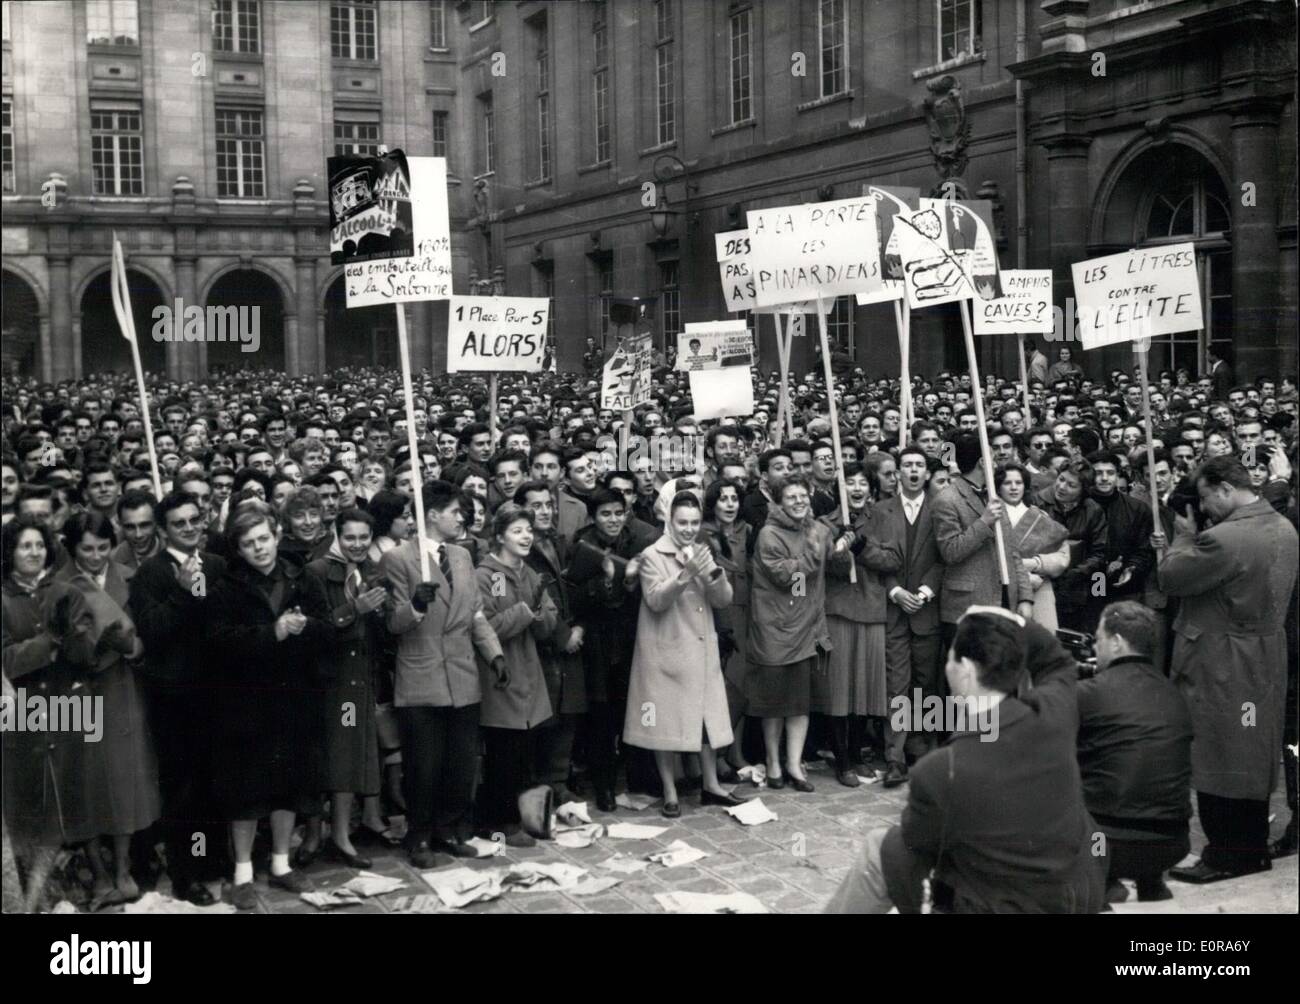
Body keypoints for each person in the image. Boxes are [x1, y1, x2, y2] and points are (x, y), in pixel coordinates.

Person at [825, 609, 1106, 914]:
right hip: (1069, 897)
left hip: (995, 904)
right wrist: (1014, 622)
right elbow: (1057, 661)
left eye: (951, 658)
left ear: (967, 671)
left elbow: (918, 848)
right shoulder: (1054, 717)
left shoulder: (939, 770)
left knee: (881, 848)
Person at [1156, 456, 1299, 883]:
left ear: (1223, 489)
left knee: (1219, 752)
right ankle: (1250, 847)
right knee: (1253, 753)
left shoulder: (1224, 539)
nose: (1203, 509)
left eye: (1205, 498)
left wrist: (1181, 538)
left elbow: (1170, 577)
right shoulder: (1284, 527)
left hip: (1223, 662)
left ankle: (1227, 853)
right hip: (1265, 655)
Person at [206, 503, 330, 909]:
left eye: (263, 538)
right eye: (248, 543)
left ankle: (281, 865)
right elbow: (219, 643)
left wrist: (306, 627)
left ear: (276, 535)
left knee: (288, 785)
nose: (259, 548)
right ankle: (242, 873)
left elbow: (329, 629)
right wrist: (271, 633)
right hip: (247, 703)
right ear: (238, 550)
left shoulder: (303, 576)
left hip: (295, 698)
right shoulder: (225, 586)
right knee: (247, 790)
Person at [380, 481, 505, 867]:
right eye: (455, 511)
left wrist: (494, 653)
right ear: (431, 514)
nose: (462, 517)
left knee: (460, 763)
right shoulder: (399, 559)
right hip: (422, 676)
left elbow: (476, 613)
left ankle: (450, 830)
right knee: (423, 764)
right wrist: (416, 606)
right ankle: (419, 836)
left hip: (464, 674)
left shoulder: (463, 556)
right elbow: (392, 623)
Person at [52, 511, 161, 905]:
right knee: (86, 783)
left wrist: (132, 647)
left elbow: (148, 638)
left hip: (123, 690)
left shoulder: (129, 577)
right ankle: (99, 873)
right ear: (71, 548)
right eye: (87, 549)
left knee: (125, 778)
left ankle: (122, 868)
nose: (96, 556)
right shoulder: (58, 587)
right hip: (78, 694)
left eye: (102, 547)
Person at [128, 490, 228, 906]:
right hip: (175, 698)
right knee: (183, 790)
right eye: (178, 523)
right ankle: (186, 874)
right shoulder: (151, 574)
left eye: (193, 520)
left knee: (212, 783)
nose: (188, 528)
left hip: (216, 693)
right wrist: (184, 591)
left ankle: (211, 862)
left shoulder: (219, 565)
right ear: (165, 529)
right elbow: (153, 631)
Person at [622, 492, 744, 817]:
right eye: (682, 523)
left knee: (705, 723)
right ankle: (670, 791)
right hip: (666, 652)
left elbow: (723, 600)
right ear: (669, 521)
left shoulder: (702, 550)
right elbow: (655, 600)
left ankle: (711, 785)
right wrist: (684, 574)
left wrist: (713, 576)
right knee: (665, 725)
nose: (689, 529)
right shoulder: (652, 554)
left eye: (693, 522)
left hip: (701, 650)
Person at [1077, 601, 1192, 904]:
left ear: (1116, 643)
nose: (1096, 648)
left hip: (1107, 845)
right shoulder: (1174, 693)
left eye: (1099, 639)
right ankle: (1151, 882)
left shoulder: (1090, 693)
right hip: (1173, 843)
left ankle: (1101, 883)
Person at [748, 476, 855, 793]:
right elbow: (788, 576)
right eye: (791, 497)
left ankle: (794, 764)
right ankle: (773, 762)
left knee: (799, 701)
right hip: (776, 629)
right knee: (774, 704)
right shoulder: (769, 535)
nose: (799, 501)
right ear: (779, 503)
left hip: (809, 627)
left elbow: (837, 569)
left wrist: (841, 550)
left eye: (802, 496)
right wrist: (814, 552)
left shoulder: (819, 530)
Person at [298, 509, 390, 870]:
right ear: (337, 536)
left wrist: (384, 612)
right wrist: (354, 609)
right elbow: (315, 627)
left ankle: (340, 835)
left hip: (360, 679)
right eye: (349, 537)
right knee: (325, 755)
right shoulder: (318, 571)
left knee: (350, 752)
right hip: (329, 681)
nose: (357, 544)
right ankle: (314, 834)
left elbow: (382, 631)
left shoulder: (372, 571)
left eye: (363, 538)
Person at [473, 504, 558, 846]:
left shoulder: (530, 573)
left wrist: (540, 616)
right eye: (517, 531)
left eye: (528, 530)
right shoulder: (491, 576)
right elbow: (488, 626)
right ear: (498, 537)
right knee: (502, 753)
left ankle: (520, 817)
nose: (526, 537)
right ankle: (498, 822)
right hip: (501, 675)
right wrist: (527, 611)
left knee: (523, 751)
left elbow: (548, 619)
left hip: (529, 674)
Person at [567, 486, 657, 806]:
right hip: (596, 642)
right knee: (600, 716)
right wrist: (609, 579)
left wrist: (631, 579)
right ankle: (603, 786)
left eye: (619, 513)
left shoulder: (635, 541)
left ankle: (639, 779)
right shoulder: (582, 545)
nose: (613, 519)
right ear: (593, 518)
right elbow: (573, 597)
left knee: (631, 708)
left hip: (630, 637)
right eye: (605, 514)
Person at [814, 463, 901, 787]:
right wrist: (838, 551)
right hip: (838, 610)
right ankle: (842, 760)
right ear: (840, 488)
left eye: (862, 482)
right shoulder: (826, 523)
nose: (857, 488)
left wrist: (861, 547)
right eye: (849, 482)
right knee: (839, 689)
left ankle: (857, 751)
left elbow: (892, 560)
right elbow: (820, 566)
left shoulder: (882, 518)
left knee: (865, 689)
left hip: (872, 608)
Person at [516, 481, 587, 806]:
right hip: (540, 646)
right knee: (543, 719)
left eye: (547, 505)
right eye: (535, 506)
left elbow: (573, 588)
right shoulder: (520, 551)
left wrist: (579, 626)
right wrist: (562, 635)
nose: (543, 511)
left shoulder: (559, 544)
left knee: (568, 713)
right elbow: (533, 600)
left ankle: (558, 782)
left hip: (570, 639)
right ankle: (537, 789)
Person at [931, 435, 1034, 638]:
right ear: (982, 462)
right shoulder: (946, 499)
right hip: (967, 607)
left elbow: (1011, 551)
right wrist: (983, 522)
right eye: (993, 458)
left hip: (1005, 601)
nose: (996, 463)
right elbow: (950, 552)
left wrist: (1025, 597)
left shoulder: (994, 496)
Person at [703, 478, 754, 776]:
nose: (730, 504)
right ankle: (716, 756)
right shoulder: (704, 535)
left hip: (744, 613)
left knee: (740, 684)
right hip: (717, 615)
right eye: (723, 499)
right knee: (719, 687)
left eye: (734, 498)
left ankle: (736, 751)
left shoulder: (746, 532)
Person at [996, 463, 1069, 630]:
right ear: (998, 487)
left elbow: (1063, 557)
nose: (1014, 488)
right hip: (1003, 589)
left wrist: (1036, 563)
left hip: (1040, 584)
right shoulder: (991, 517)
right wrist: (1021, 576)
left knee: (1044, 642)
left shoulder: (1039, 516)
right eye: (1007, 483)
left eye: (1019, 483)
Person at [1041, 465, 1109, 633]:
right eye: (1061, 479)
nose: (1062, 487)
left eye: (1071, 485)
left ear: (1083, 491)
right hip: (1042, 581)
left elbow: (1100, 553)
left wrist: (1075, 573)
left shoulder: (1093, 511)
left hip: (1077, 587)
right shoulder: (1039, 502)